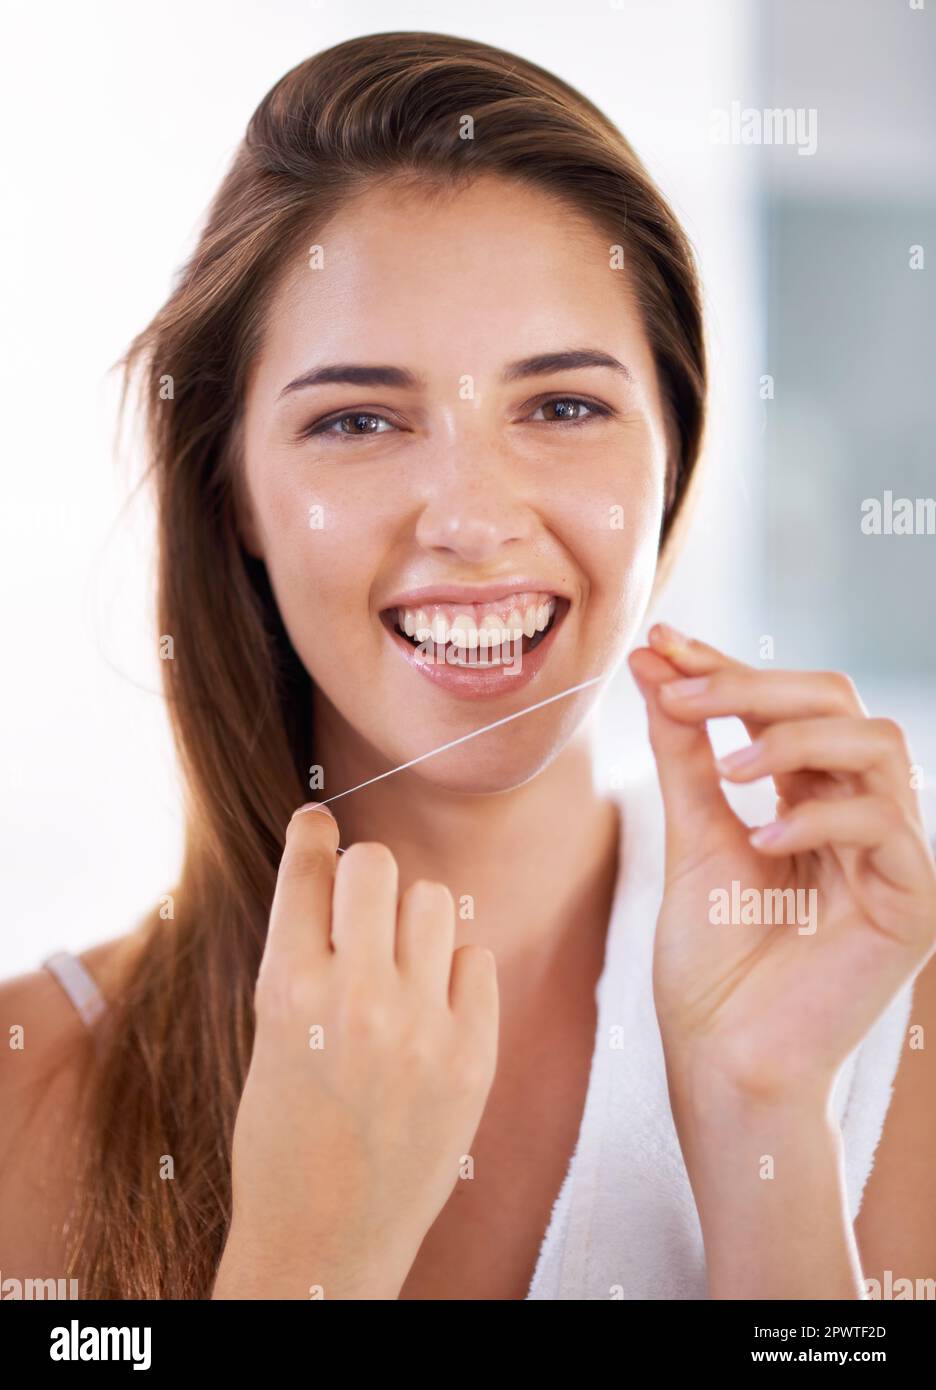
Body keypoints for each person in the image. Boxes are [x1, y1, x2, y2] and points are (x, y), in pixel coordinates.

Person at [2, 31, 934, 1301]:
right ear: (234, 496)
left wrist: (765, 1122)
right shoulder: (30, 1089)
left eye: (561, 406)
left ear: (673, 457)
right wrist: (306, 1261)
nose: (474, 519)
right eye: (358, 420)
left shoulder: (883, 1015)